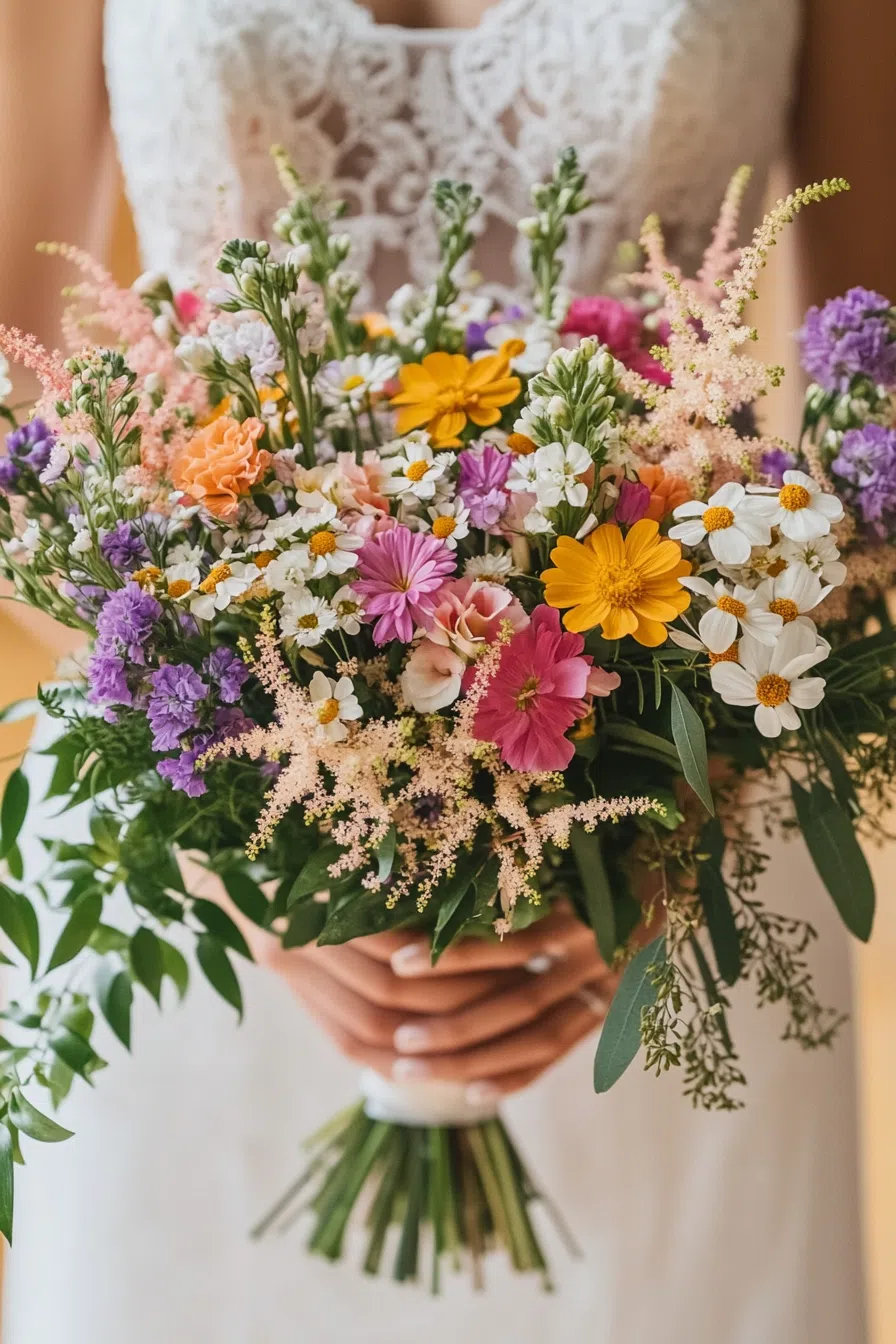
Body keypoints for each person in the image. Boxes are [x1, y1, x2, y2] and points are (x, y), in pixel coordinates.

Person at [1, 1, 893, 1339]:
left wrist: (666, 814)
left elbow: (870, 410)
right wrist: (226, 833)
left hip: (672, 850)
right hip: (183, 863)